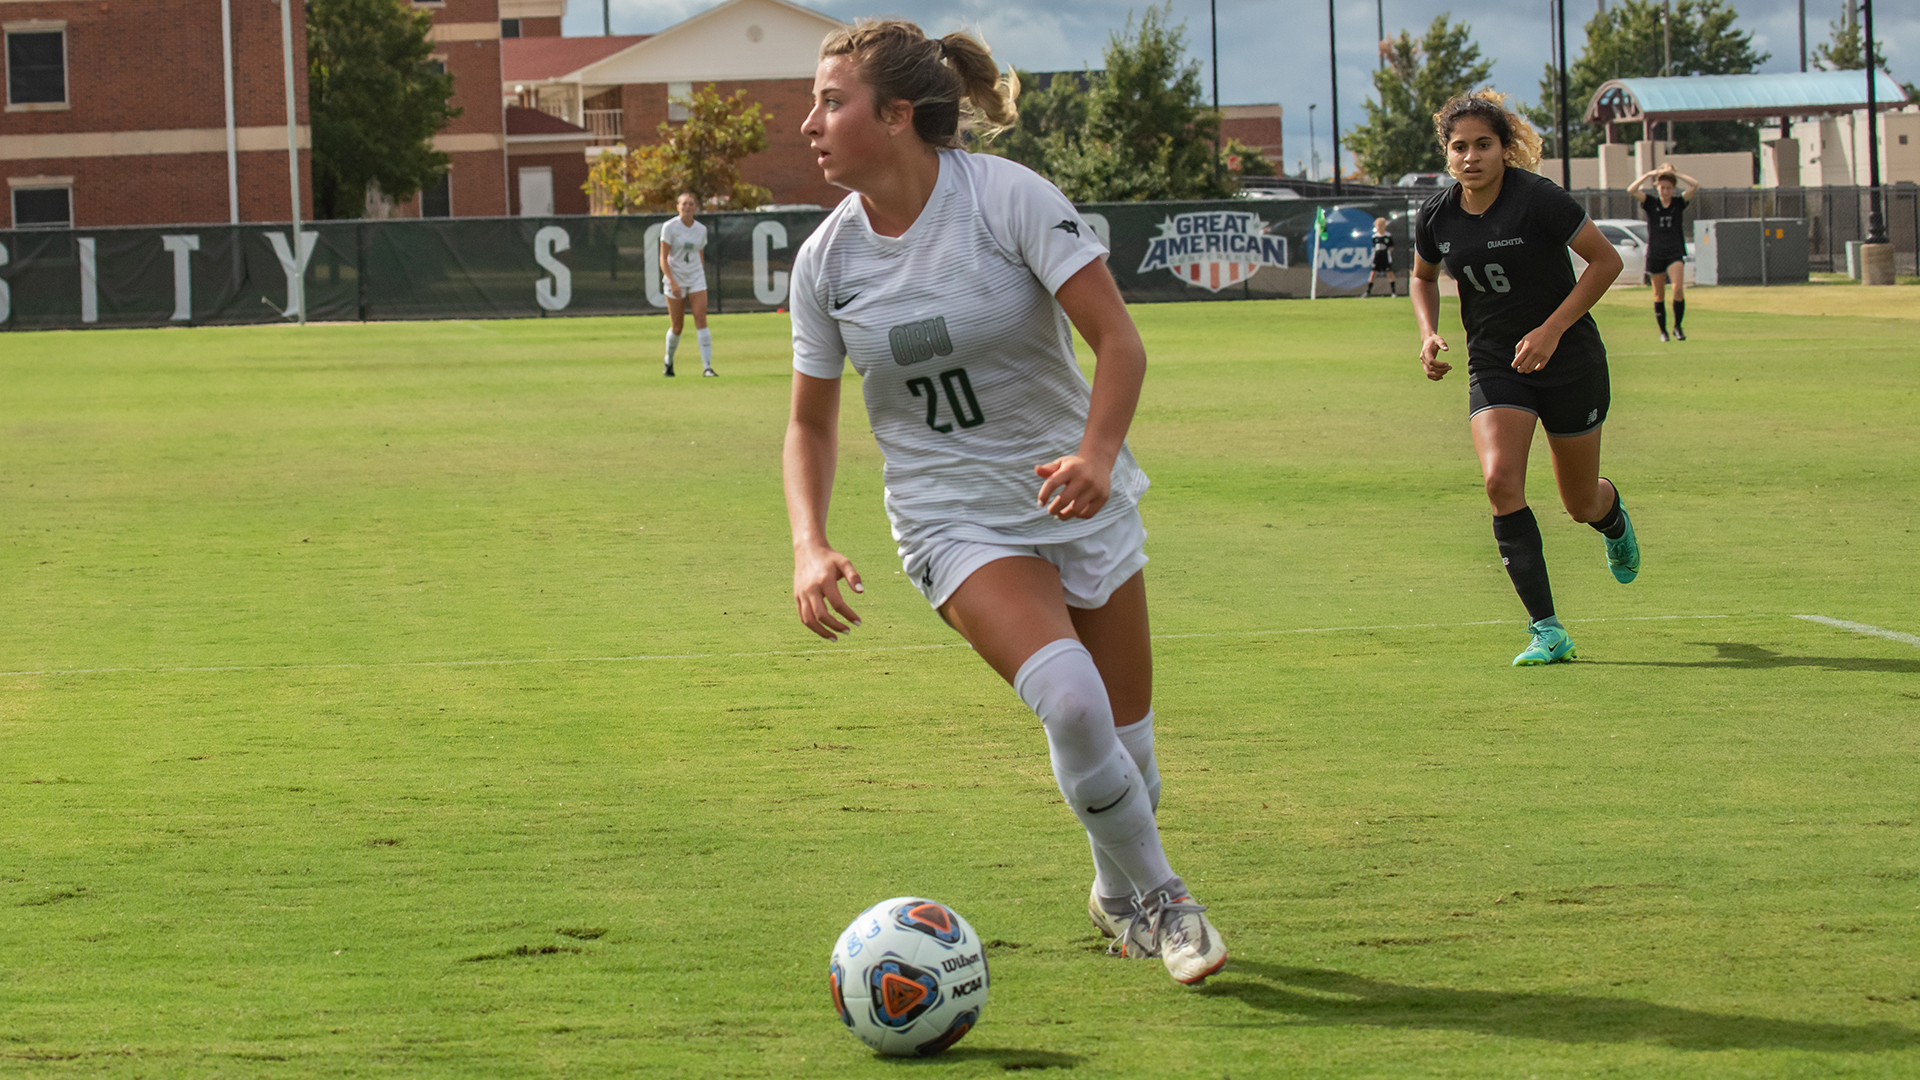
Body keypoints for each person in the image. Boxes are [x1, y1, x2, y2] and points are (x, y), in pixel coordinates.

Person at [781, 19, 1226, 985]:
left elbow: (1119, 341)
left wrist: (1097, 455)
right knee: (1071, 703)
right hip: (955, 522)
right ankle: (1165, 903)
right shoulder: (826, 262)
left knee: (1130, 755)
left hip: (1080, 503)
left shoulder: (1007, 197)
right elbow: (810, 426)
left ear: (896, 116)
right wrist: (809, 544)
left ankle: (1115, 890)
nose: (809, 120)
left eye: (830, 100)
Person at [1409, 91, 1641, 667]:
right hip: (1495, 363)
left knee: (1580, 502)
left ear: (1504, 148)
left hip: (1569, 361)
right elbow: (1422, 277)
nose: (1471, 157)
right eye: (1459, 147)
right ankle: (1548, 629)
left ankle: (1612, 520)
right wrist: (1428, 332)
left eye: (1483, 144)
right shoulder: (1436, 215)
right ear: (1447, 152)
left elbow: (1606, 262)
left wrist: (1553, 328)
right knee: (1499, 482)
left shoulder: (1538, 199)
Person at [1626, 164, 1699, 342]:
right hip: (1655, 253)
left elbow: (1695, 185)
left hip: (1674, 252)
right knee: (1658, 294)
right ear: (1657, 188)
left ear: (1673, 189)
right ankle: (1663, 331)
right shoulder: (1651, 203)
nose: (1665, 191)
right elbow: (1631, 190)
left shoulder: (1678, 203)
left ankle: (1677, 327)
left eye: (1668, 187)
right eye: (1662, 187)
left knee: (1677, 289)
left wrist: (1676, 173)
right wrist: (1650, 174)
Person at [660, 192, 715, 376]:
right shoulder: (669, 227)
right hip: (675, 278)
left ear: (695, 208)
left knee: (701, 318)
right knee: (677, 326)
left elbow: (700, 252)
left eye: (691, 204)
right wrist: (673, 282)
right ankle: (668, 360)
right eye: (684, 204)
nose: (688, 207)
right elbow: (663, 258)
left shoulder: (701, 229)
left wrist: (700, 272)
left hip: (695, 277)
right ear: (678, 207)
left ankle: (707, 367)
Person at [1365, 216, 1398, 297]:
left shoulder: (1388, 236)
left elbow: (1391, 247)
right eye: (1378, 225)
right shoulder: (1374, 237)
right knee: (1373, 273)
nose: (1380, 226)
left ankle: (1393, 292)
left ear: (1385, 225)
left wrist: (1386, 250)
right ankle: (1368, 292)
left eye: (1381, 224)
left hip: (1385, 257)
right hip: (1377, 257)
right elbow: (1374, 247)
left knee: (1389, 273)